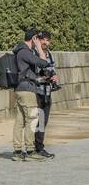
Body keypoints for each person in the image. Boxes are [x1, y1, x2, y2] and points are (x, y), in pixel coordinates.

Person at [11, 28, 49, 161]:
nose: (39, 42)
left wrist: (39, 79)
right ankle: (31, 151)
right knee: (32, 119)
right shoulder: (25, 52)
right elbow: (44, 63)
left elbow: (26, 72)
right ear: (33, 38)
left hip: (20, 88)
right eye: (37, 39)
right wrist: (39, 48)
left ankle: (17, 152)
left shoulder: (19, 51)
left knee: (20, 120)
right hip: (27, 90)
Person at [33, 31, 59, 159]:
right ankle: (34, 147)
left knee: (44, 120)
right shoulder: (34, 53)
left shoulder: (50, 54)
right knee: (35, 120)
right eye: (42, 40)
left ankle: (38, 146)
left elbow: (52, 69)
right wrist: (44, 78)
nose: (44, 42)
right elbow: (33, 75)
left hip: (47, 92)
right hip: (36, 91)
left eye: (47, 40)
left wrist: (54, 77)